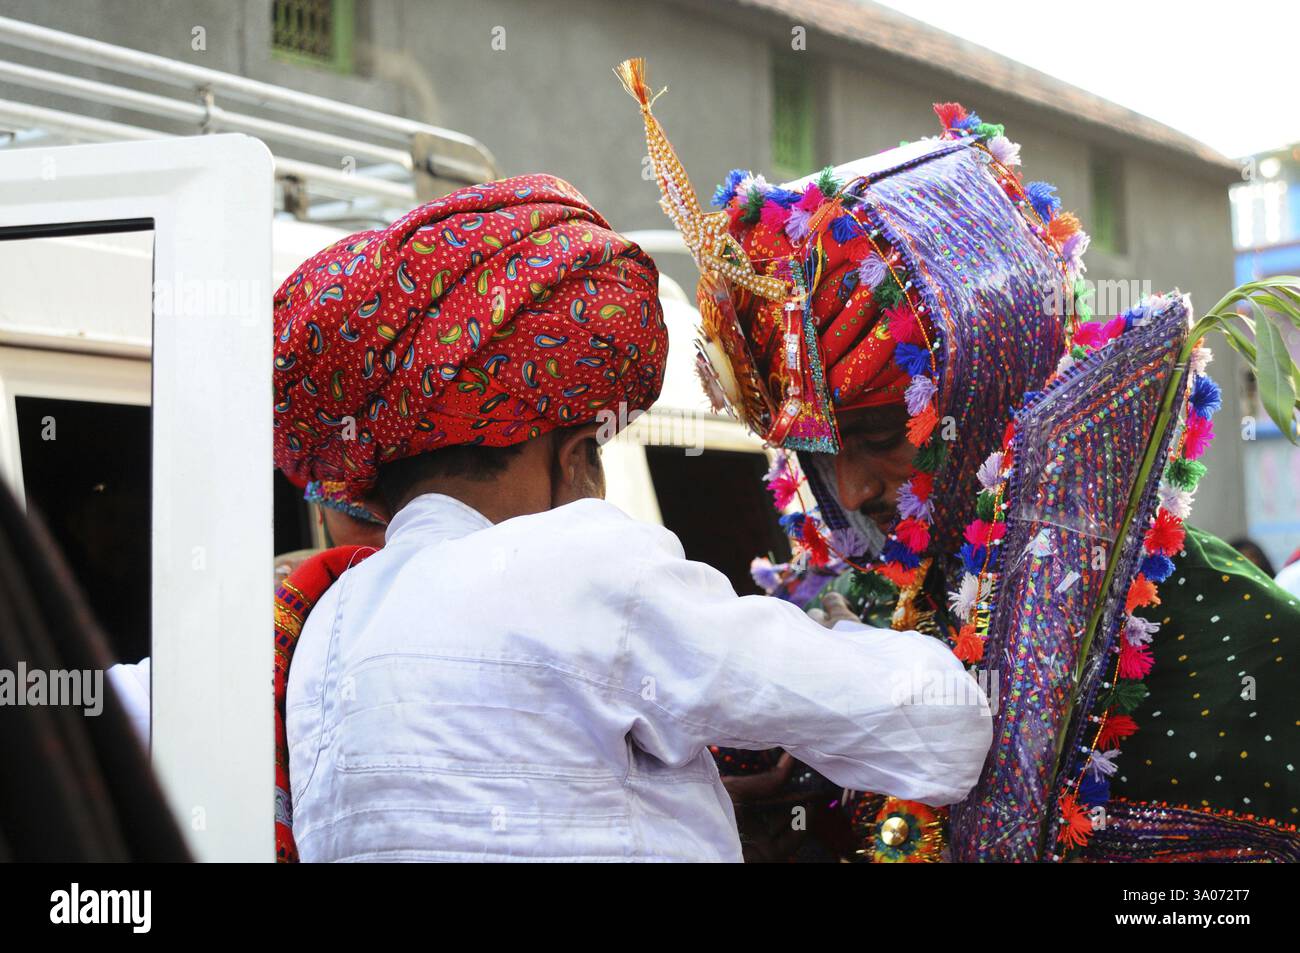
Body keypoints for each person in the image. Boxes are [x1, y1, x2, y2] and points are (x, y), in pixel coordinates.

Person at [620, 57, 1299, 861]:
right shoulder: (852, 613)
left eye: (876, 437)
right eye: (814, 452)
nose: (849, 487)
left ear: (987, 395)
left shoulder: (1243, 639)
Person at [272, 173, 992, 862]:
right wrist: (845, 633)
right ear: (577, 455)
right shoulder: (578, 563)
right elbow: (940, 731)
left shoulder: (325, 636)